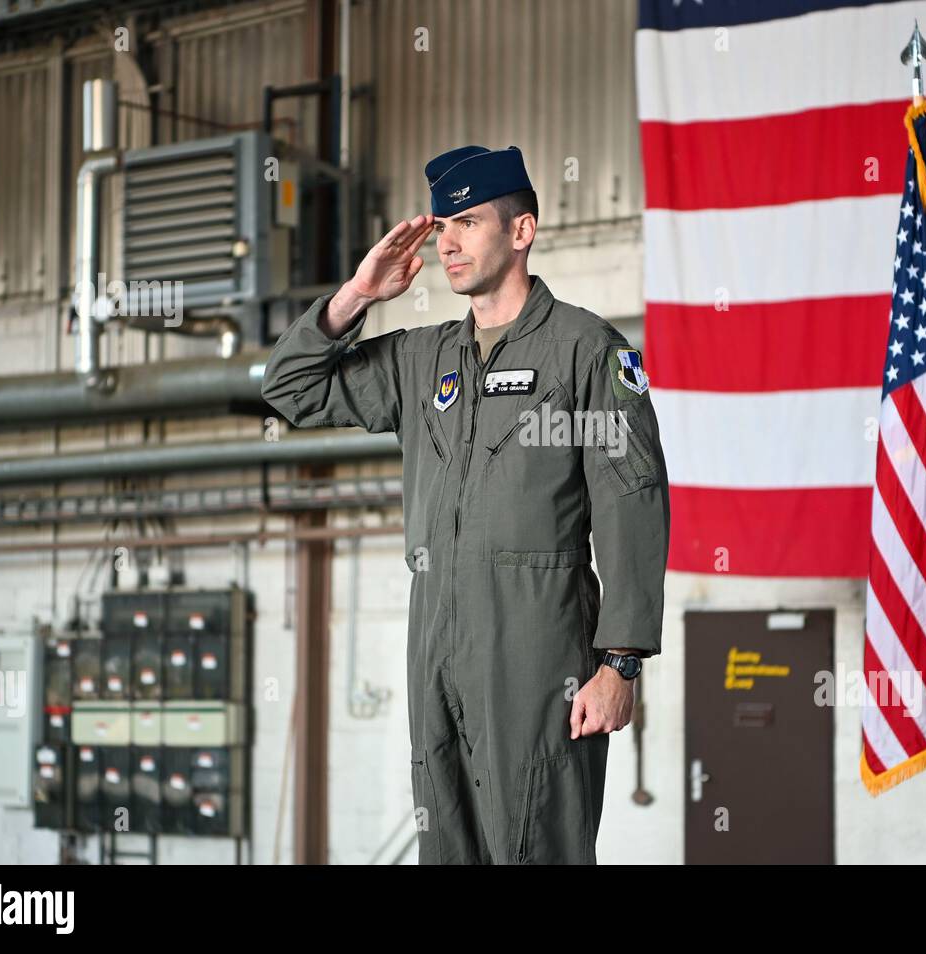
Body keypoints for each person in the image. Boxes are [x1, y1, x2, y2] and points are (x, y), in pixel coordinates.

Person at [261, 144, 669, 864]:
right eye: (442, 225)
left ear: (521, 232)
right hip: (437, 637)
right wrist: (357, 294)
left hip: (538, 645)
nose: (447, 241)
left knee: (536, 839)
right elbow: (292, 388)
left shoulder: (585, 351)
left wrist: (621, 663)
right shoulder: (422, 360)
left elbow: (631, 498)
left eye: (468, 222)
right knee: (445, 839)